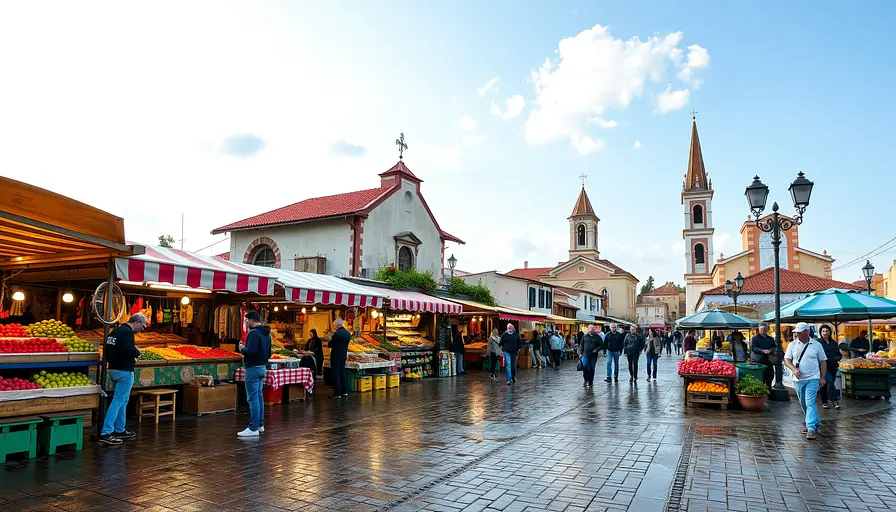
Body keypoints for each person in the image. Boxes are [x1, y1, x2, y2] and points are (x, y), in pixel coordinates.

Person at [98, 313, 146, 445]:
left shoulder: (116, 331)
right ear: (137, 322)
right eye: (142, 327)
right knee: (118, 401)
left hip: (113, 369)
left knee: (122, 401)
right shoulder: (127, 333)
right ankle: (106, 432)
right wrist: (137, 352)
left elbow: (108, 350)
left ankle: (120, 429)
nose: (142, 330)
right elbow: (129, 350)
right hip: (124, 371)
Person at [784, 322, 827, 441]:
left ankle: (811, 427)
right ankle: (815, 422)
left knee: (810, 402)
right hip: (798, 379)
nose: (797, 334)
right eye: (796, 332)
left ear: (806, 332)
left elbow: (823, 362)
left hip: (813, 378)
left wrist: (822, 377)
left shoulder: (816, 345)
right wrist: (794, 369)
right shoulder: (792, 345)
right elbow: (787, 359)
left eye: (799, 332)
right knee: (803, 402)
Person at [238, 310, 272, 437]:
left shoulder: (253, 334)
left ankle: (253, 428)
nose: (246, 323)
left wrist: (242, 349)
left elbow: (251, 352)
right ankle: (260, 425)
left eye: (247, 321)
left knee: (253, 398)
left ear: (252, 320)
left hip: (252, 369)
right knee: (259, 397)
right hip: (262, 368)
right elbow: (269, 353)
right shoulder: (267, 334)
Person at [816, 325, 842, 410]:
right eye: (823, 331)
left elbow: (838, 354)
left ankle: (824, 401)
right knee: (829, 382)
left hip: (833, 366)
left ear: (830, 332)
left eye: (827, 331)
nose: (825, 333)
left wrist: (837, 358)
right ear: (820, 332)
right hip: (823, 366)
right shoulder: (818, 343)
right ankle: (835, 401)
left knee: (827, 384)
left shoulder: (834, 343)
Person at [328, 318, 351, 398]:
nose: (334, 326)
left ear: (337, 325)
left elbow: (330, 344)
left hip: (336, 355)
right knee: (342, 372)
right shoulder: (348, 333)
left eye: (334, 324)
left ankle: (337, 393)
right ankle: (344, 391)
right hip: (343, 355)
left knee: (335, 373)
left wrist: (330, 338)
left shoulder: (337, 333)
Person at [751, 322, 776, 389]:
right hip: (759, 361)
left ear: (766, 329)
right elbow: (753, 348)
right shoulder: (755, 338)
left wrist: (770, 350)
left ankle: (768, 390)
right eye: (761, 329)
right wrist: (762, 351)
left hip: (769, 361)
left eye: (764, 329)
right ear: (759, 329)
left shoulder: (770, 339)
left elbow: (774, 347)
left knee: (769, 377)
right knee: (759, 378)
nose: (762, 330)